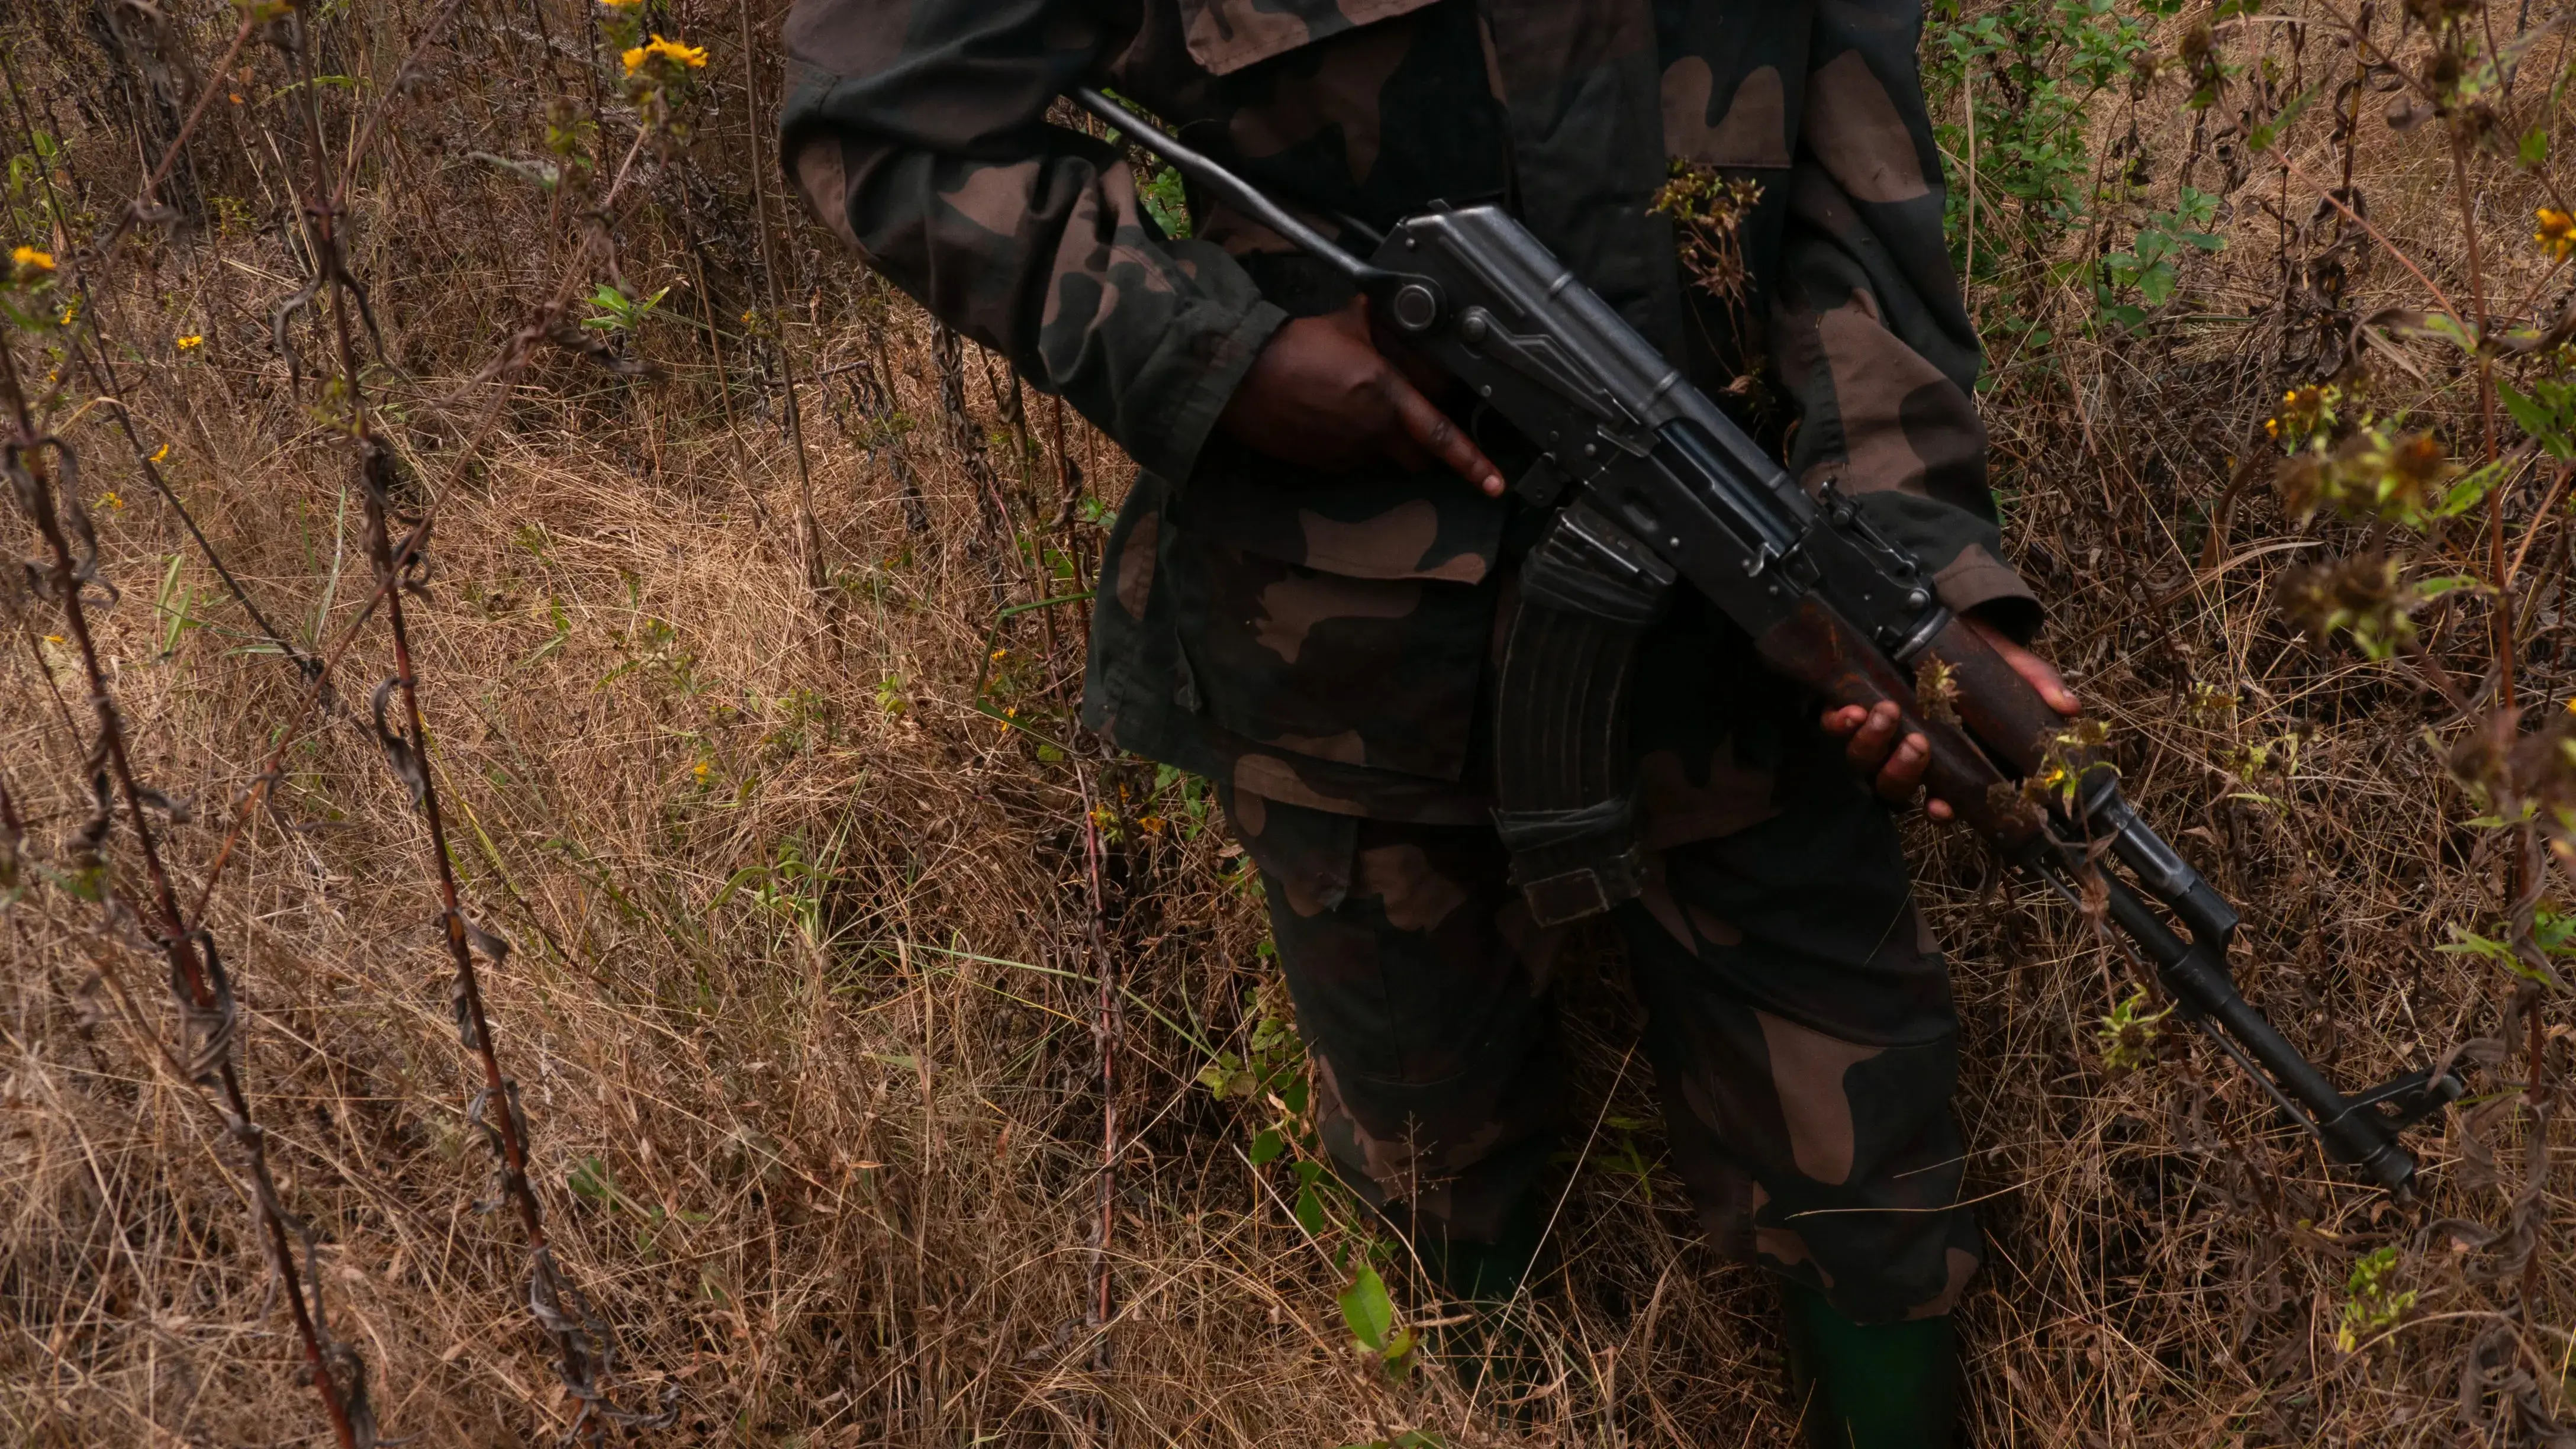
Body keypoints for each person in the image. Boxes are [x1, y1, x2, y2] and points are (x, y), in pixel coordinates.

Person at [779, 2, 2075, 1441]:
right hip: (1353, 675)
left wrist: (1922, 582)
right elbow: (882, 118)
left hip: (1753, 651)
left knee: (1875, 1178)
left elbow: (1861, 191)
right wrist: (1221, 358)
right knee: (1432, 1167)